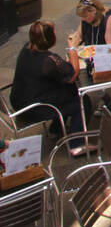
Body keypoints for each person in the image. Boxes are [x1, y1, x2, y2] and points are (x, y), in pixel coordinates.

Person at [11, 20, 89, 152]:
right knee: (83, 100)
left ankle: (56, 129)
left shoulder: (26, 48)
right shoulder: (48, 60)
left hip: (19, 101)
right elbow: (73, 74)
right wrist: (73, 48)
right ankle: (77, 145)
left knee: (66, 90)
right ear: (50, 38)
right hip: (34, 108)